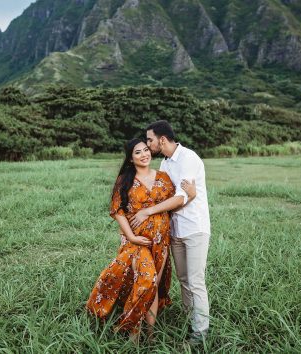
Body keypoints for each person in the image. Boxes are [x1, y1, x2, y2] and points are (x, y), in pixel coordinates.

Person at [86, 138, 195, 341]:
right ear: (130, 158)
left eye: (146, 150)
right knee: (145, 281)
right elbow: (118, 211)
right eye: (138, 152)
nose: (144, 154)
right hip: (136, 242)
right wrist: (131, 237)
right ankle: (133, 332)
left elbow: (172, 205)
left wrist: (192, 196)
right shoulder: (125, 180)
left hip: (161, 241)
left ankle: (151, 334)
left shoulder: (163, 178)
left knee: (152, 286)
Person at [131, 120, 211, 344]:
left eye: (150, 140)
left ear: (162, 140)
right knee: (183, 278)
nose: (148, 144)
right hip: (174, 229)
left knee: (196, 281)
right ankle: (189, 319)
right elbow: (168, 198)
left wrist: (148, 212)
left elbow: (179, 197)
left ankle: (200, 332)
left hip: (195, 228)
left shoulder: (188, 159)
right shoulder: (165, 165)